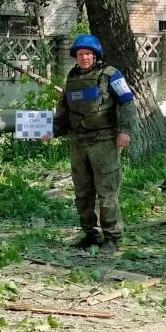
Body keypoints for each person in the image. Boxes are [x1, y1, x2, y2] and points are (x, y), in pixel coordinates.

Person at [44, 34, 136, 253]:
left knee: (107, 192)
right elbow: (63, 112)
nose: (84, 57)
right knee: (83, 192)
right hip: (78, 142)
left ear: (95, 56)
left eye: (88, 53)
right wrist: (50, 131)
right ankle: (90, 234)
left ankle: (112, 237)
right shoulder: (72, 78)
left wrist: (125, 131)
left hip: (103, 141)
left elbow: (127, 103)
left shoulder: (111, 75)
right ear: (75, 56)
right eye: (80, 54)